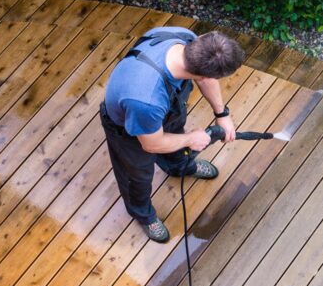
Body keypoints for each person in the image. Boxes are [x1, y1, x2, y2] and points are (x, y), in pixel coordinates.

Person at [100, 26, 245, 242]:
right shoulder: (146, 99)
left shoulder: (187, 40)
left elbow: (205, 79)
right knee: (137, 176)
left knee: (177, 141)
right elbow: (152, 144)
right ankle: (143, 214)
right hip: (129, 130)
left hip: (166, 111)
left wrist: (221, 114)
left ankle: (179, 167)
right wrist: (191, 139)